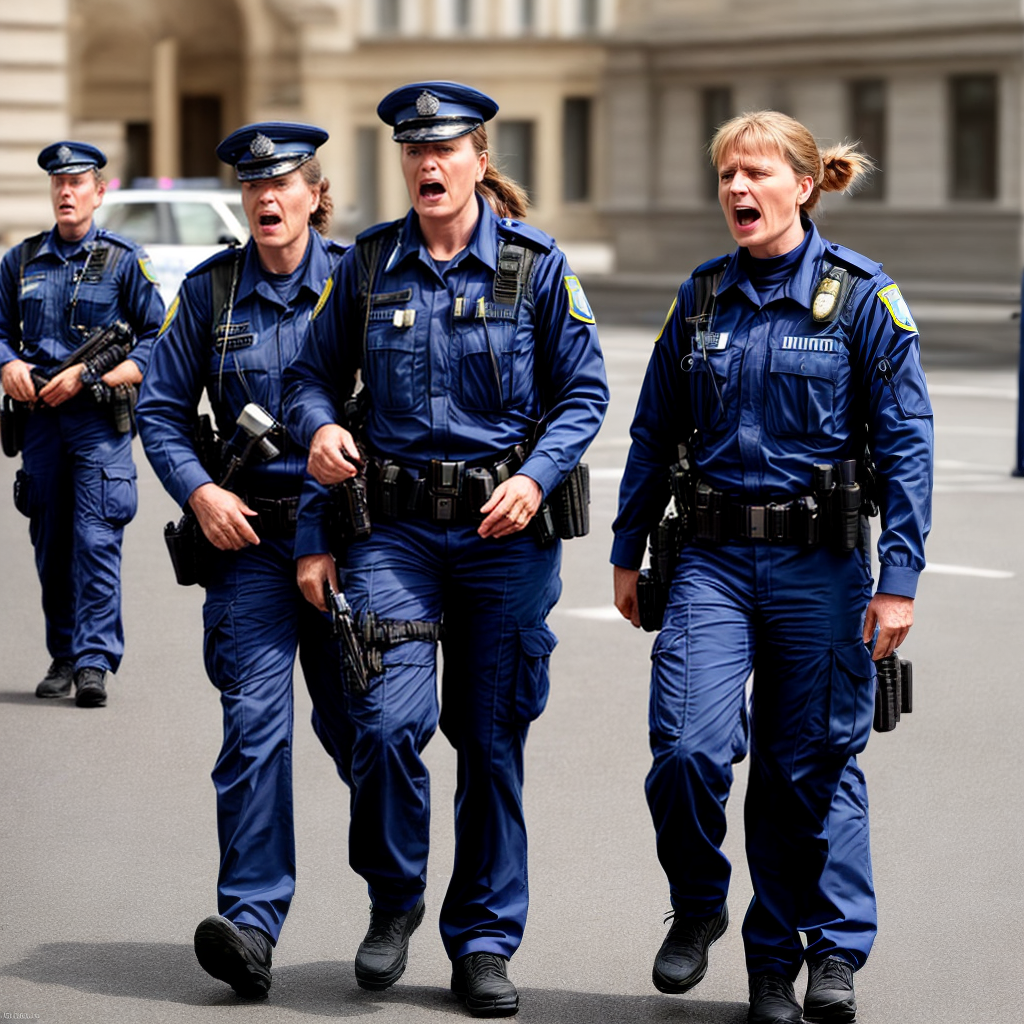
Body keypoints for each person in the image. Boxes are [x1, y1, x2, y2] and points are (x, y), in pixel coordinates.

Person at [284, 81, 608, 1017]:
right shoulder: (371, 264)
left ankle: (483, 942)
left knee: (492, 743)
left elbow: (583, 393)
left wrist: (536, 476)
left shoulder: (538, 268)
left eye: (447, 150)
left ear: (479, 160)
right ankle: (394, 901)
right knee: (385, 726)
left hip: (503, 539)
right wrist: (314, 427)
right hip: (392, 536)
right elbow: (311, 375)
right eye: (414, 152)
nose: (429, 165)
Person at [611, 111, 932, 1024]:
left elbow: (908, 442)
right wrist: (627, 550)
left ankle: (790, 963)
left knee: (809, 768)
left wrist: (899, 578)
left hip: (820, 567)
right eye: (725, 178)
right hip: (710, 561)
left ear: (804, 184)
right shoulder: (701, 297)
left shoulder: (863, 298)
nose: (738, 192)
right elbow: (652, 432)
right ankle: (701, 902)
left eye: (756, 174)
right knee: (685, 749)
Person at [135, 122, 349, 999]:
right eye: (253, 185)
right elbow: (158, 406)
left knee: (369, 734)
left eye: (284, 182)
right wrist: (199, 493)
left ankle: (396, 900)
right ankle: (252, 924)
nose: (267, 197)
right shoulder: (211, 291)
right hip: (248, 542)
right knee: (254, 731)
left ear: (313, 193)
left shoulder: (357, 280)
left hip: (344, 541)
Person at [0, 141, 165, 708]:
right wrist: (8, 364)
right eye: (58, 183)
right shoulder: (20, 261)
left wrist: (111, 374)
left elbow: (156, 336)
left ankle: (94, 663)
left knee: (96, 541)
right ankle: (64, 655)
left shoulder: (124, 259)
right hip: (42, 420)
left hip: (98, 420)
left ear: (99, 192)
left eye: (78, 182)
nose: (66, 192)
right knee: (51, 540)